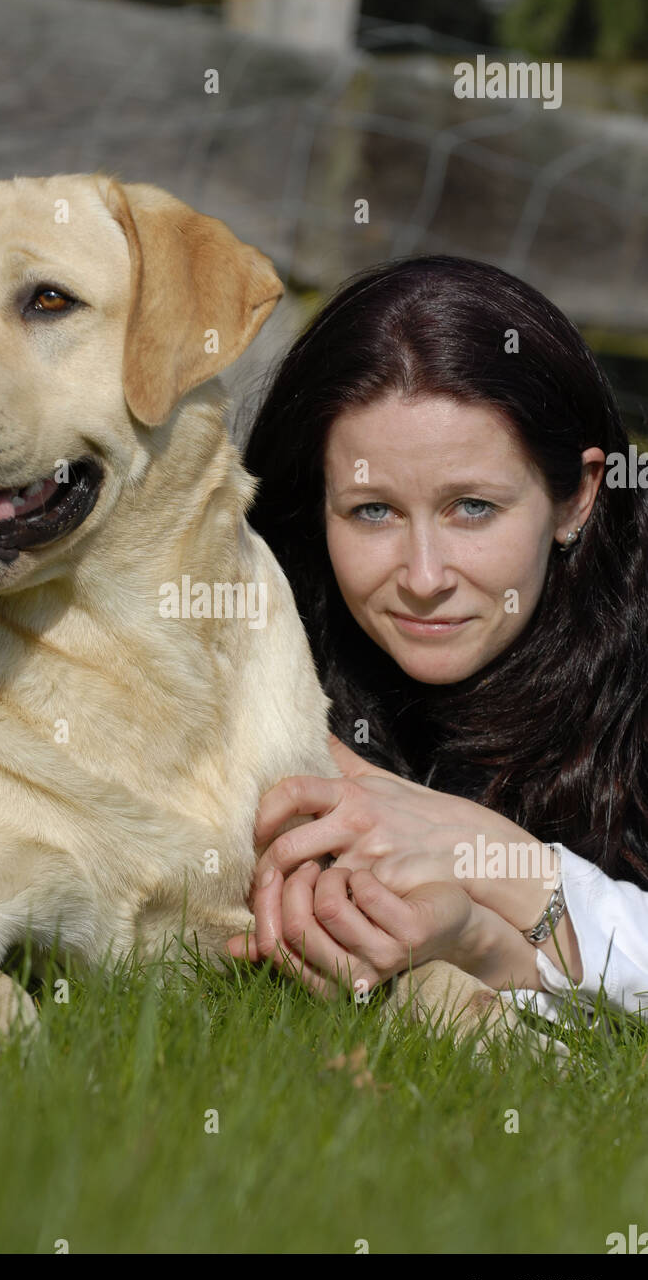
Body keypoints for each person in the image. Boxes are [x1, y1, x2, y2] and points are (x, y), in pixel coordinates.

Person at [225, 255, 648, 1022]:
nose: (423, 576)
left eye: (474, 508)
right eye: (372, 511)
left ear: (577, 498)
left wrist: (504, 862)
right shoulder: (261, 641)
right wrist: (480, 942)